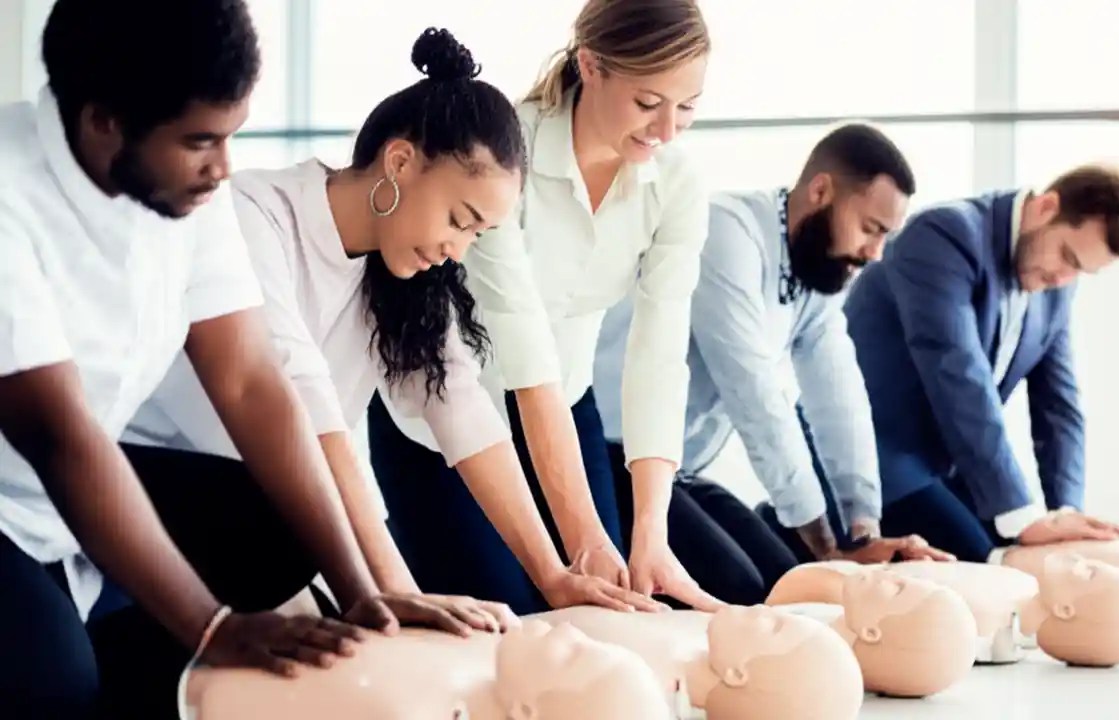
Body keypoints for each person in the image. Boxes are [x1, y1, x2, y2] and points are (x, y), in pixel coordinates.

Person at [0, 3, 504, 718]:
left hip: (79, 470)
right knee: (53, 683)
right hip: (18, 490)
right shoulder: (9, 196)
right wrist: (213, 626)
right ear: (104, 121)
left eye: (230, 136)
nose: (223, 169)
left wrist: (367, 594)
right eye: (201, 141)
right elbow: (59, 437)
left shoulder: (188, 188)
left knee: (283, 536)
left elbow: (250, 382)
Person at [125, 28, 658, 618]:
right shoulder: (254, 215)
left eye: (476, 234)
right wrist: (397, 593)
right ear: (400, 161)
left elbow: (463, 410)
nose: (457, 250)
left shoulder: (401, 272)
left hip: (266, 512)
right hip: (156, 484)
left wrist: (555, 576)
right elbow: (306, 411)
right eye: (458, 219)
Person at [368, 0, 722, 611]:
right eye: (648, 102)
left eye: (687, 107)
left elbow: (660, 357)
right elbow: (525, 350)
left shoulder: (677, 183)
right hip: (447, 422)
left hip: (567, 408)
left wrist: (651, 531)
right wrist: (584, 539)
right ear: (591, 66)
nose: (666, 130)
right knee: (510, 621)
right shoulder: (505, 151)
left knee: (606, 611)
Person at [594, 124, 953, 605]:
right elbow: (755, 398)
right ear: (821, 191)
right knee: (744, 587)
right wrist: (826, 548)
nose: (875, 253)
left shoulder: (819, 268)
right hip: (611, 454)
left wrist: (863, 531)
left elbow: (839, 397)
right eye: (871, 229)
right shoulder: (726, 232)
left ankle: (783, 533)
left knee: (788, 578)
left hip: (677, 472)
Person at [844, 163, 1119, 562]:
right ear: (1046, 207)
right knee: (990, 564)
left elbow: (1058, 405)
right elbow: (959, 375)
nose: (1063, 278)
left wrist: (1065, 514)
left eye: (1080, 271)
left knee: (1048, 557)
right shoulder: (943, 236)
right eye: (1067, 256)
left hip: (948, 469)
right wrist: (1022, 517)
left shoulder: (1057, 285)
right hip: (872, 458)